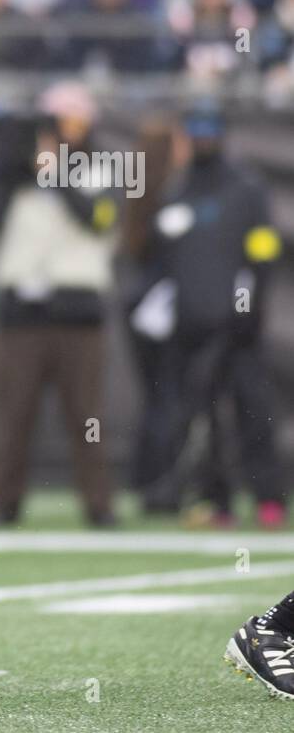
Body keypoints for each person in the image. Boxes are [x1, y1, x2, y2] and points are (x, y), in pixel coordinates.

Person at [0, 82, 119, 528]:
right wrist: (16, 168)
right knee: (14, 414)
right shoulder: (18, 174)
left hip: (77, 310)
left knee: (86, 416)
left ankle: (98, 505)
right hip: (21, 311)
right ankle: (4, 504)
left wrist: (56, 174)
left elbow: (99, 219)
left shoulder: (102, 167)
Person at [137, 105, 285, 525]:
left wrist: (247, 306)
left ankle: (268, 498)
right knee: (204, 421)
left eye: (209, 132)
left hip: (239, 330)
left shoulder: (245, 189)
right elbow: (161, 259)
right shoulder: (177, 190)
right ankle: (217, 501)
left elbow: (263, 249)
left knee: (253, 411)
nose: (202, 140)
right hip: (191, 330)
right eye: (195, 133)